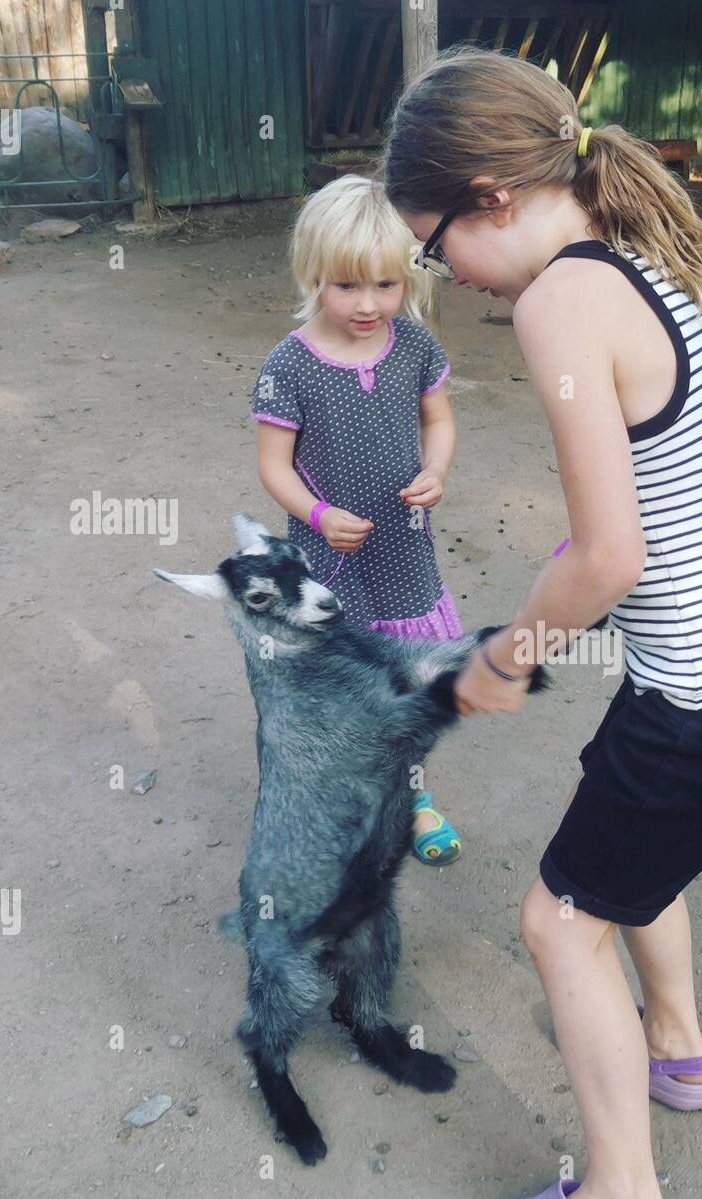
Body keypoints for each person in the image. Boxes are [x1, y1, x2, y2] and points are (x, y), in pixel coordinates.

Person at [385, 47, 702, 1199]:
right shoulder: (627, 259)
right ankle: (677, 1046)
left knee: (558, 919)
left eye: (430, 249)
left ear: (485, 195)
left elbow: (608, 555)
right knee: (629, 852)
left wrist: (505, 660)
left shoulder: (556, 302)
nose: (441, 279)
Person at [250, 174, 463, 864]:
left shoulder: (414, 345)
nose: (368, 304)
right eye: (347, 287)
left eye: (385, 285)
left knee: (407, 683)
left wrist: (435, 471)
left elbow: (439, 418)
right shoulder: (289, 367)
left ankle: (414, 798)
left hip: (403, 554)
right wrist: (315, 511)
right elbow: (274, 468)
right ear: (312, 275)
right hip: (329, 562)